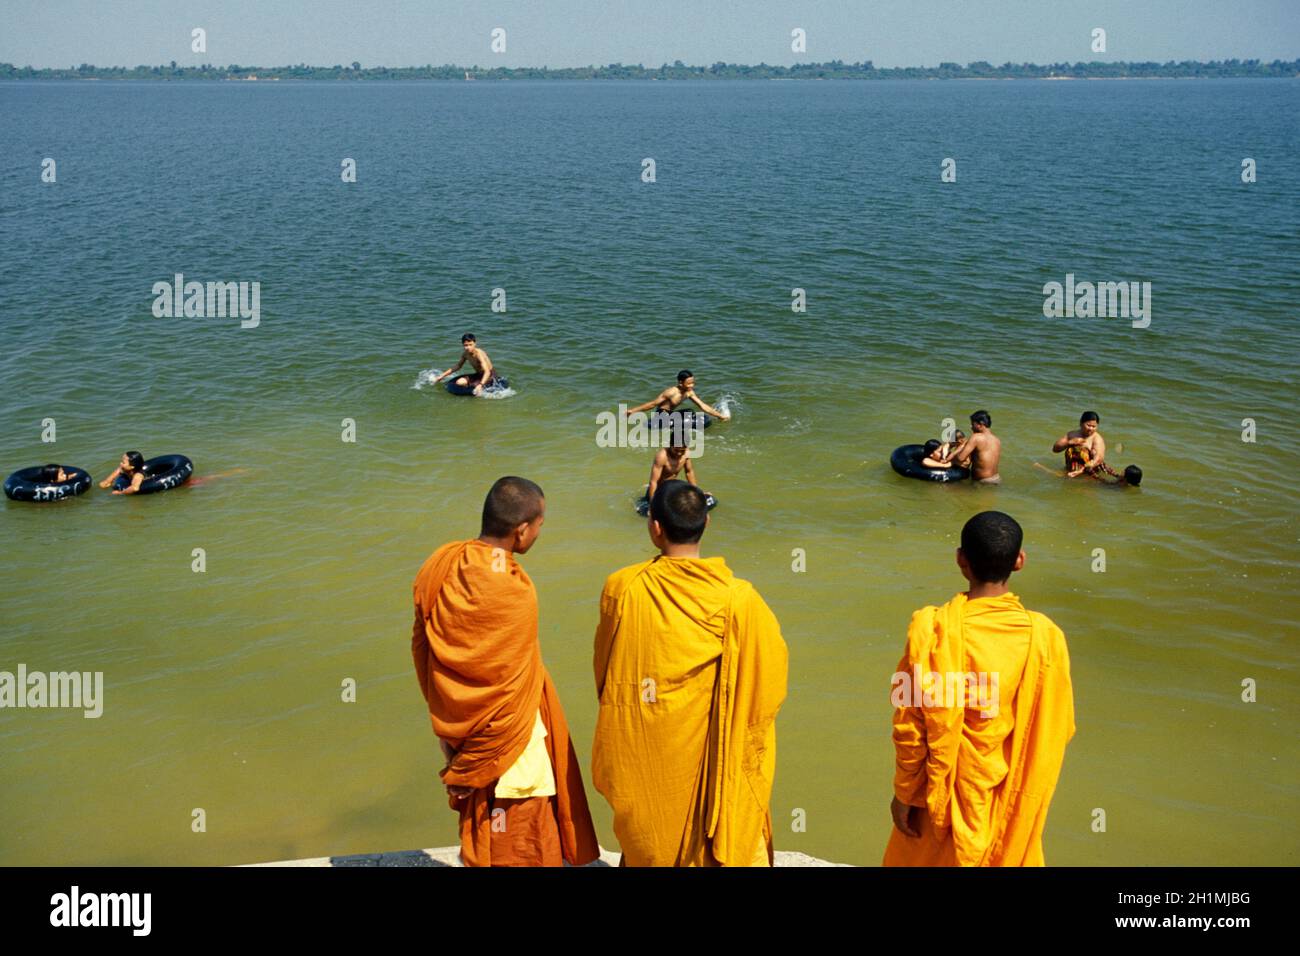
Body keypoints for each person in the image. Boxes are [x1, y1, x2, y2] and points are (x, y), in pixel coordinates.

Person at [592, 480, 788, 866]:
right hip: (707, 749)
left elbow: (606, 671)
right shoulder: (738, 598)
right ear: (707, 524)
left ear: (655, 527)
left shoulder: (624, 587)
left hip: (645, 747)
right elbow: (770, 681)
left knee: (650, 831)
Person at [410, 476, 600, 867]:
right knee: (524, 834)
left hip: (464, 728)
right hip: (511, 734)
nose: (539, 533)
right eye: (540, 525)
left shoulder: (441, 564)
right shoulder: (517, 591)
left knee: (487, 827)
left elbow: (423, 649)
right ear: (521, 530)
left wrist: (449, 727)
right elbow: (509, 665)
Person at [884, 511, 1075, 866]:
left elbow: (909, 722)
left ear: (961, 560)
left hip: (936, 797)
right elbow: (1055, 724)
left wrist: (905, 792)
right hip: (1004, 793)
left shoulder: (932, 629)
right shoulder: (1044, 636)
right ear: (1019, 561)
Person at [624, 370, 731, 428]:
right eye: (689, 383)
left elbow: (702, 406)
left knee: (690, 411)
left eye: (693, 382)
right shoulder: (671, 392)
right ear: (680, 382)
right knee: (687, 416)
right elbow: (652, 404)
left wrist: (720, 416)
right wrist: (632, 411)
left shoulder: (689, 392)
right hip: (662, 415)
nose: (691, 385)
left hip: (671, 414)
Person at [431, 333, 500, 396]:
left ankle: (476, 391)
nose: (468, 347)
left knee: (476, 388)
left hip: (490, 375)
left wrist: (480, 385)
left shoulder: (479, 354)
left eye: (470, 345)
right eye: (465, 345)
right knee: (459, 382)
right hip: (478, 375)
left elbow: (487, 372)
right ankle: (470, 391)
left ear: (475, 343)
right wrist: (441, 376)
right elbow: (458, 366)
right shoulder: (465, 354)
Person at [950, 411, 1001, 484]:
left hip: (983, 481)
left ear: (980, 424)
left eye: (973, 424)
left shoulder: (976, 437)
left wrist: (959, 448)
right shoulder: (997, 440)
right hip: (996, 479)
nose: (971, 426)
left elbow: (961, 458)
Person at [1053, 411, 1107, 478]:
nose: (1091, 428)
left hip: (1089, 475)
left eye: (1094, 426)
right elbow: (1055, 449)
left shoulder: (1097, 439)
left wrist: (1081, 470)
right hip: (1070, 472)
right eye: (1088, 425)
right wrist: (1069, 443)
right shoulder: (1072, 435)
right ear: (1081, 423)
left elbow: (1099, 459)